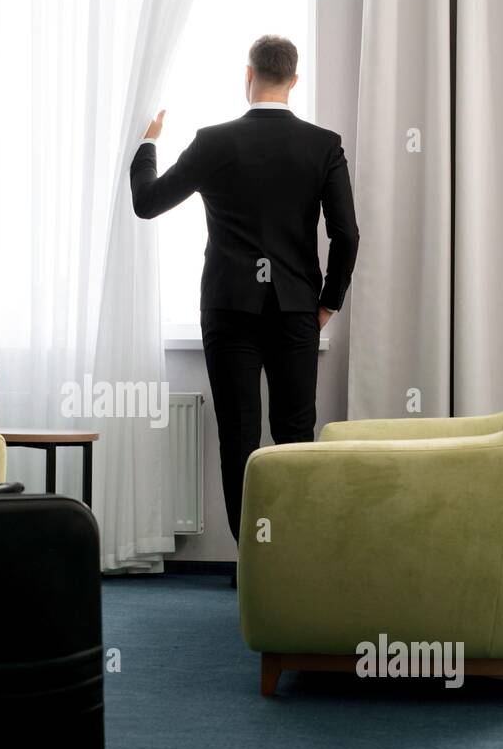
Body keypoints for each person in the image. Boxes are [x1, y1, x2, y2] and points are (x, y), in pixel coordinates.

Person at [130, 34, 359, 563]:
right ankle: (296, 562)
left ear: (248, 75)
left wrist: (148, 144)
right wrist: (328, 303)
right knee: (296, 433)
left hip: (230, 308)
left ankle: (254, 561)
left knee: (239, 436)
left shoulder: (214, 141)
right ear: (294, 80)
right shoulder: (323, 144)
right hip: (297, 309)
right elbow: (346, 234)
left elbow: (147, 203)